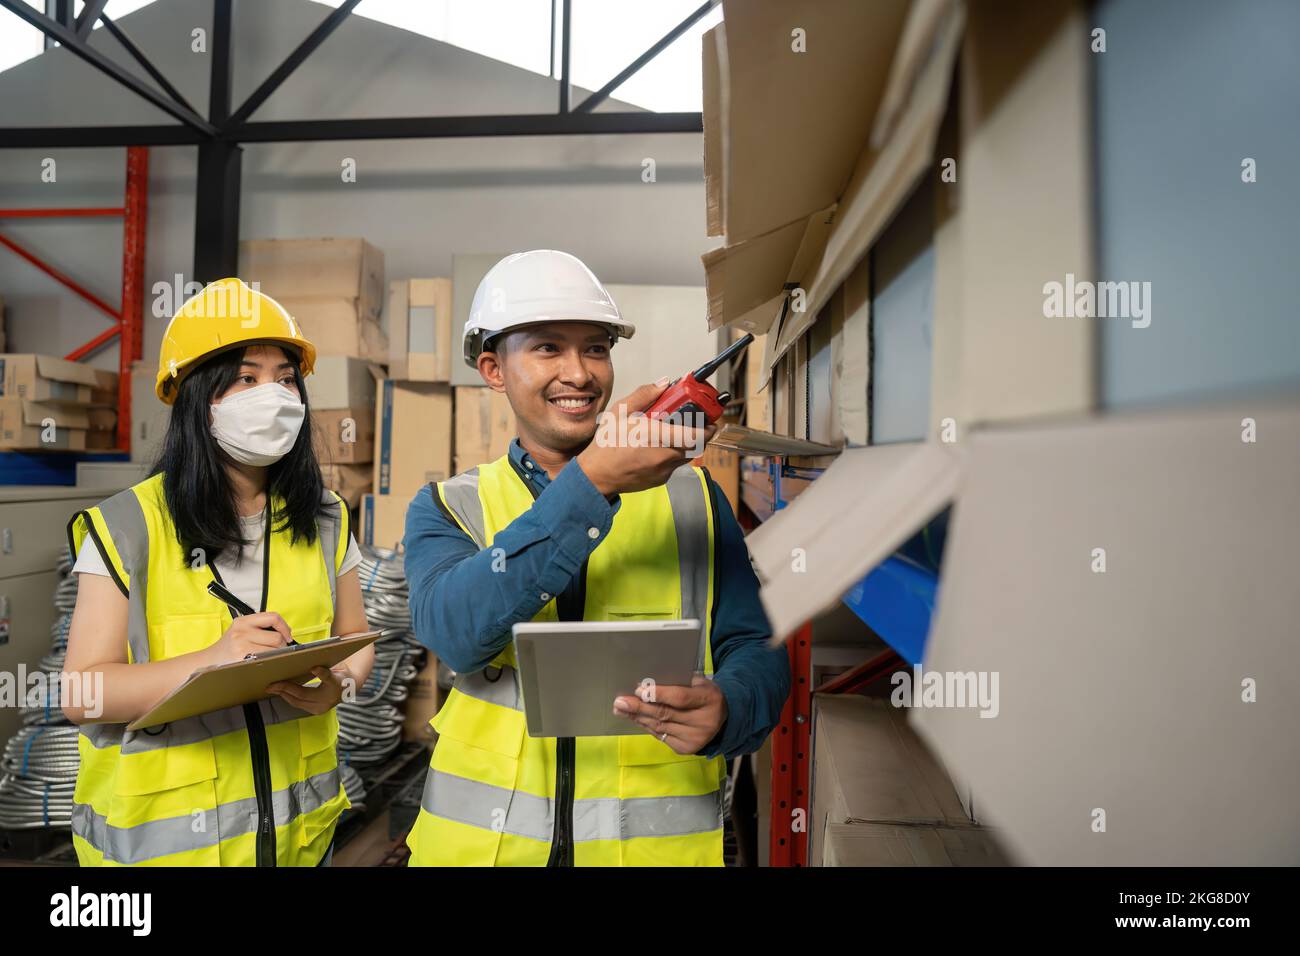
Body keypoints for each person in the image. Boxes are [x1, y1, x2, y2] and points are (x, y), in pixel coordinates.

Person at [403, 250, 790, 866]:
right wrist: (594, 483)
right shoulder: (449, 507)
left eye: (596, 348)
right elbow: (456, 635)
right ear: (493, 370)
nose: (579, 373)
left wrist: (730, 706)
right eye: (548, 348)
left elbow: (755, 649)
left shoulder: (692, 498)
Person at [61, 277, 373, 867]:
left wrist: (339, 687)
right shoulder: (130, 525)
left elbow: (355, 643)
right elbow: (81, 693)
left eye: (286, 379)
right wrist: (210, 661)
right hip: (165, 853)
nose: (273, 396)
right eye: (246, 379)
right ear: (196, 398)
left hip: (299, 841)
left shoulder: (326, 516)